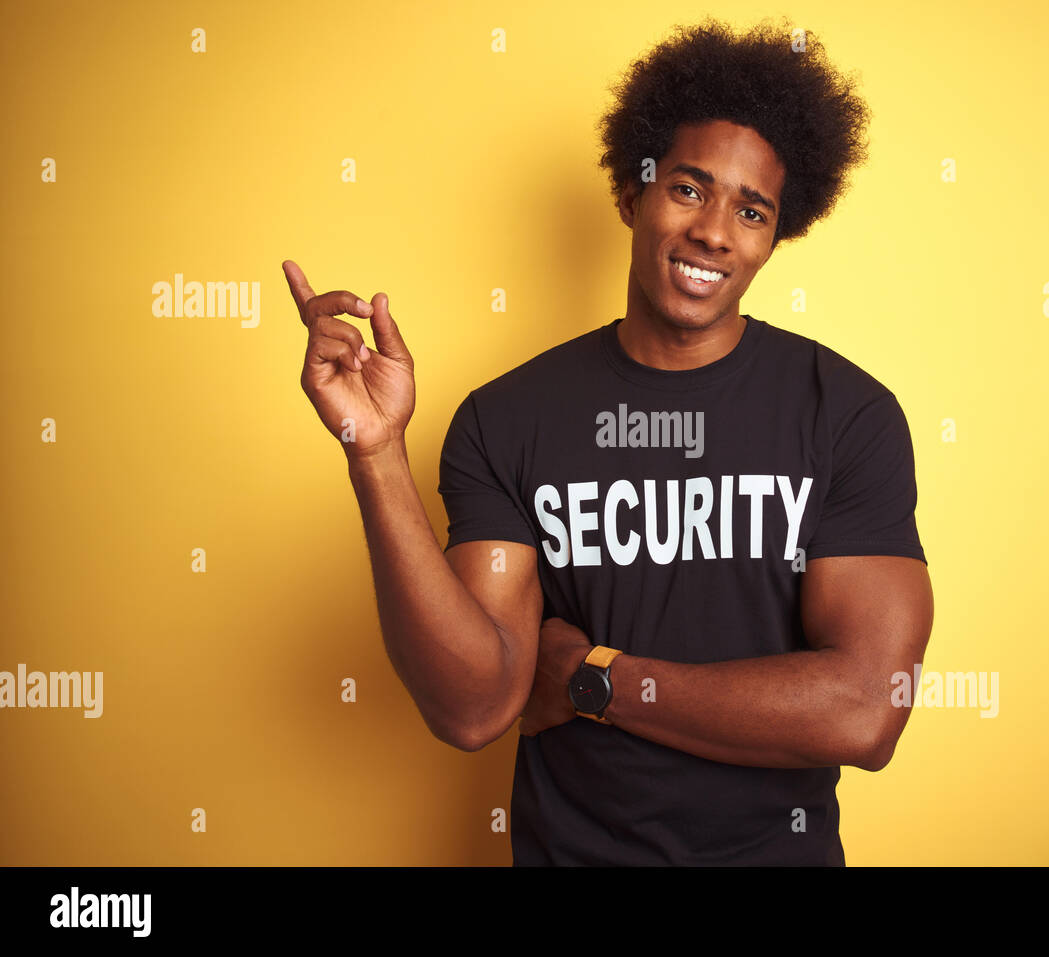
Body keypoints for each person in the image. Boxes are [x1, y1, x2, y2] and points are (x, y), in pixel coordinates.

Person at [283, 16, 933, 866]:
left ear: (777, 236)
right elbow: (473, 707)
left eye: (751, 210)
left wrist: (597, 679)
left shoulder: (847, 414)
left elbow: (865, 710)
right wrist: (374, 453)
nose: (714, 232)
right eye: (689, 189)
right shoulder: (506, 419)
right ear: (633, 193)